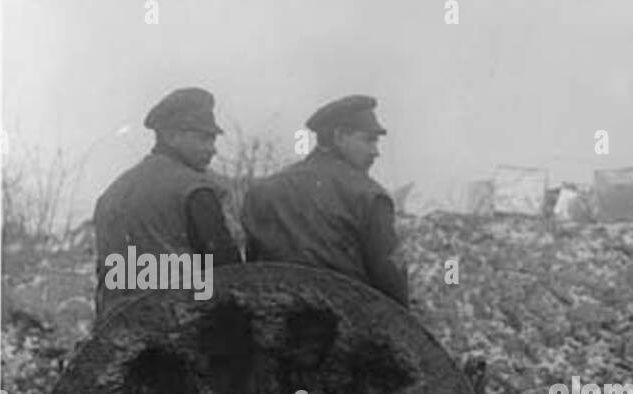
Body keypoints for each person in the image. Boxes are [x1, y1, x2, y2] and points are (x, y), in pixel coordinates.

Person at [241, 94, 407, 306]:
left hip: (275, 325)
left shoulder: (261, 191)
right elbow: (391, 284)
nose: (375, 152)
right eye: (369, 140)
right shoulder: (369, 196)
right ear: (339, 136)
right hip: (346, 326)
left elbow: (252, 270)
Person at [92, 87, 239, 318]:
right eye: (204, 138)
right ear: (171, 137)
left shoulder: (111, 193)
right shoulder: (194, 188)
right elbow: (228, 274)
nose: (212, 150)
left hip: (117, 330)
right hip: (179, 328)